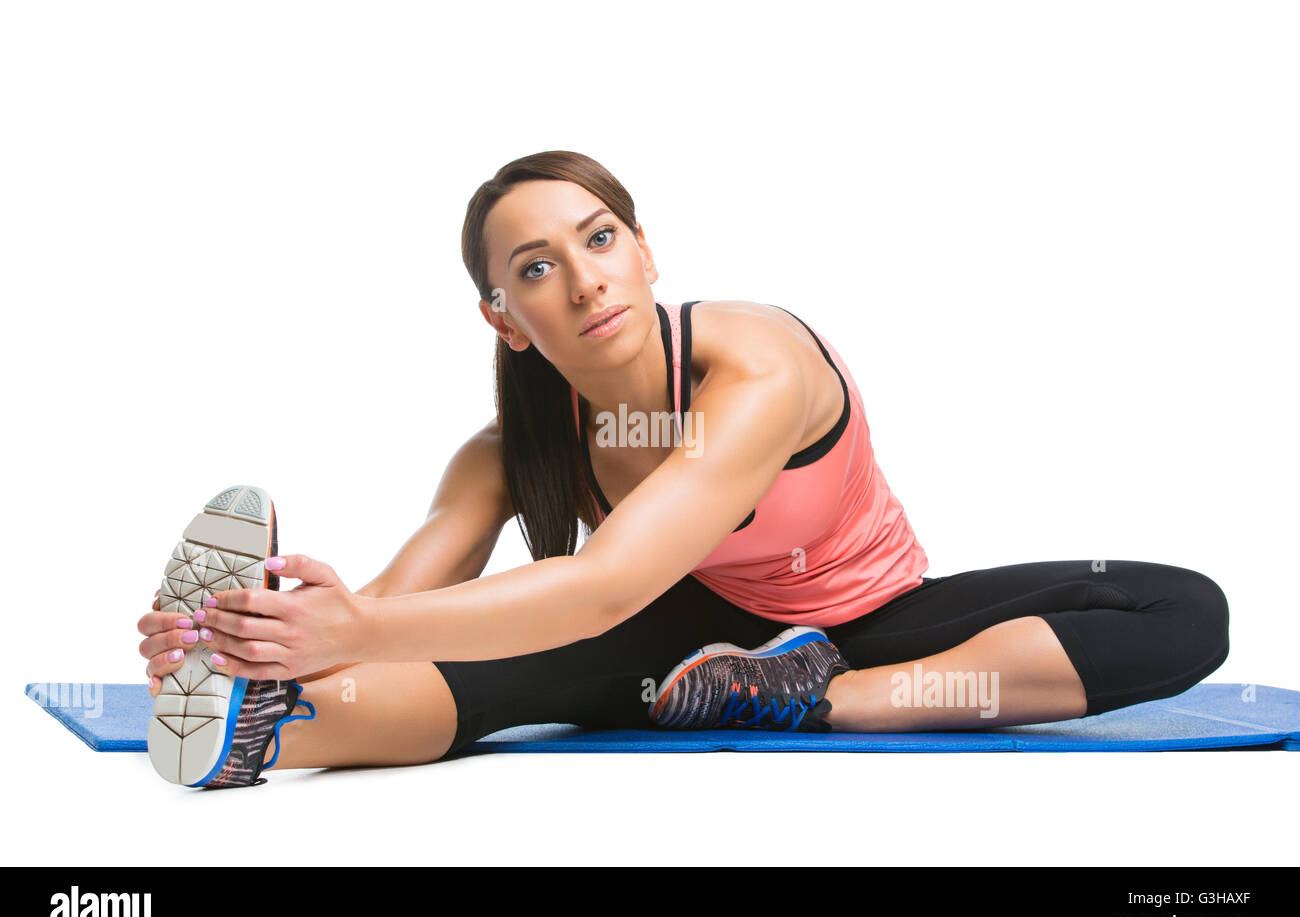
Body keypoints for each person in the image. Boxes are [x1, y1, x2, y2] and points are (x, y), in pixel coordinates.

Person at [136, 150, 1230, 786]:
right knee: (498, 669)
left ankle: (827, 702)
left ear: (645, 249)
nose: (583, 280)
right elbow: (397, 598)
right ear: (503, 317)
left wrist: (362, 632)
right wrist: (270, 641)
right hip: (682, 643)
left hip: (869, 617)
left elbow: (607, 578)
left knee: (1180, 609)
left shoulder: (756, 366)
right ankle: (261, 730)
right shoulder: (511, 446)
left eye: (600, 238)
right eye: (536, 268)